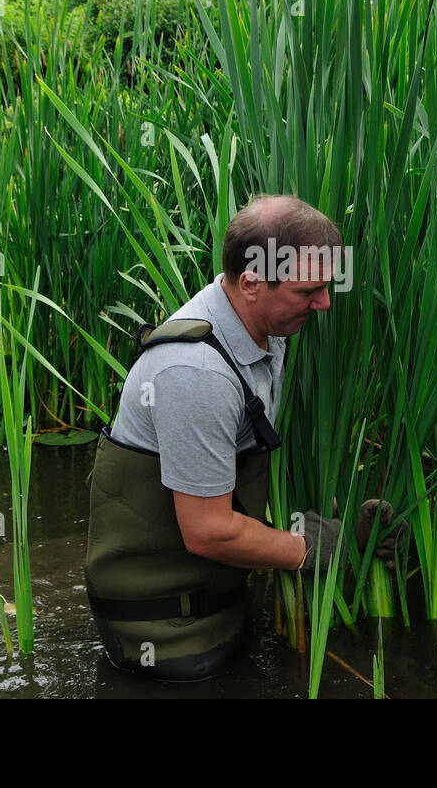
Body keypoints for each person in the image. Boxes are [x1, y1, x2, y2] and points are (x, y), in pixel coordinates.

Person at [84, 194, 399, 680]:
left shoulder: (265, 327)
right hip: (165, 629)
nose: (325, 303)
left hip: (215, 600)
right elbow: (207, 530)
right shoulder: (197, 374)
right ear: (252, 282)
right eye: (309, 291)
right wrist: (314, 547)